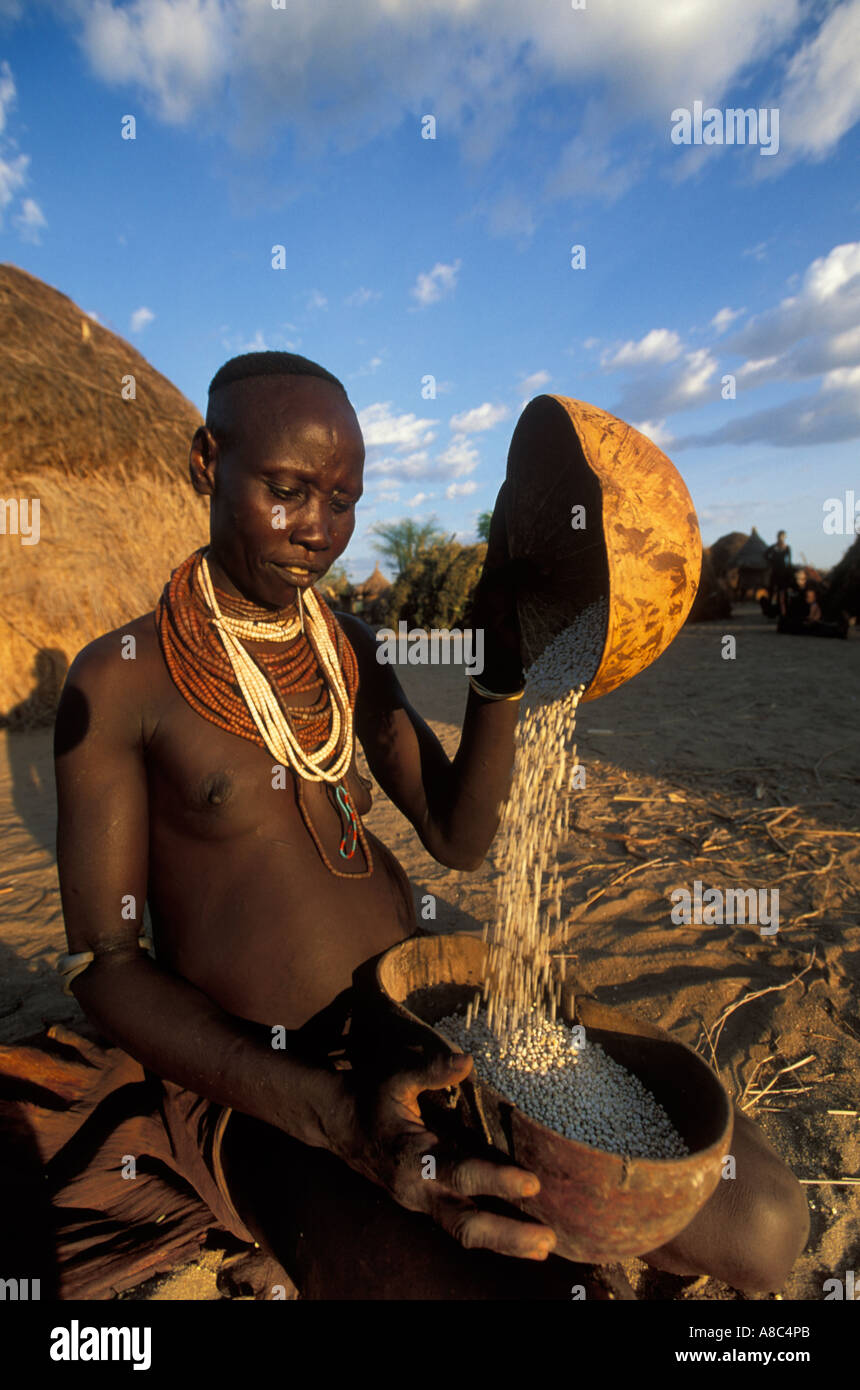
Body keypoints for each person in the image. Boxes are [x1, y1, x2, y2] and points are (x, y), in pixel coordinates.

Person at [54, 352, 809, 1299]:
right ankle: (291, 1227)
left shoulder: (347, 647)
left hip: (433, 1011)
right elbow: (107, 968)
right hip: (271, 1083)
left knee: (767, 1224)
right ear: (209, 461)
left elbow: (457, 837)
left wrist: (499, 659)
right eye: (287, 492)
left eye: (343, 500)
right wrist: (332, 1115)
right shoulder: (120, 678)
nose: (317, 531)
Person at [765, 531, 793, 616]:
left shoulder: (787, 547)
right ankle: (770, 612)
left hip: (784, 573)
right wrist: (771, 562)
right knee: (772, 591)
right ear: (777, 537)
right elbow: (765, 555)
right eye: (780, 536)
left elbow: (789, 561)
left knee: (783, 592)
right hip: (775, 572)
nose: (781, 538)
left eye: (783, 536)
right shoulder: (773, 547)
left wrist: (789, 570)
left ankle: (783, 611)